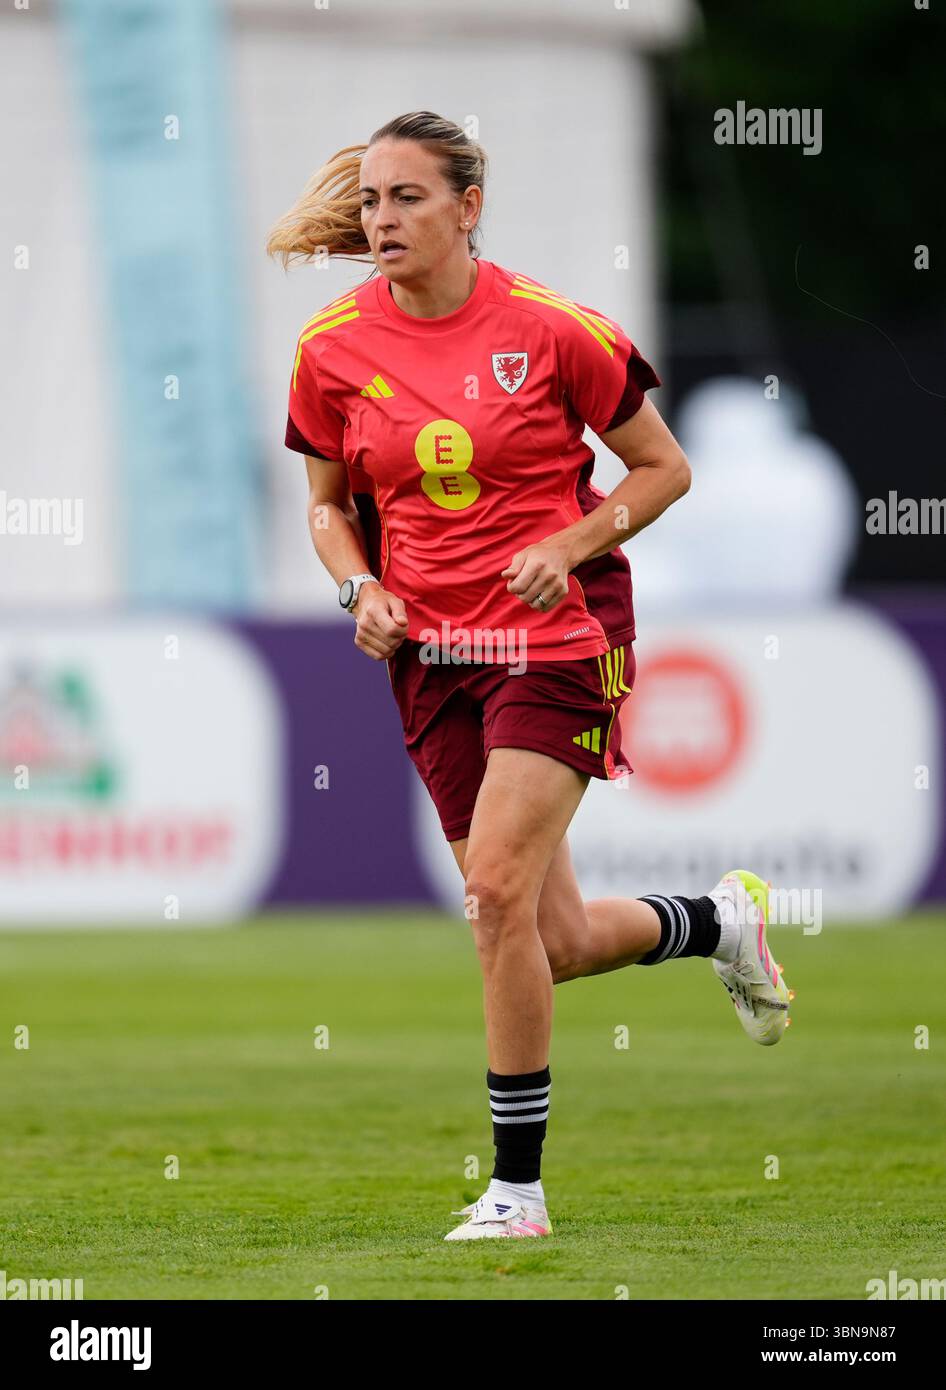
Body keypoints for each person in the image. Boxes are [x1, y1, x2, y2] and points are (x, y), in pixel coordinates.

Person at [268, 111, 791, 1242]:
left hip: (557, 637)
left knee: (493, 892)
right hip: (431, 656)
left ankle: (517, 1191)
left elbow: (663, 469)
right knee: (545, 942)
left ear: (468, 207)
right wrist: (362, 590)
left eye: (408, 196)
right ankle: (714, 923)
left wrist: (569, 544)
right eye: (370, 199)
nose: (382, 217)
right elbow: (323, 508)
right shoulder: (329, 349)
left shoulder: (554, 331)